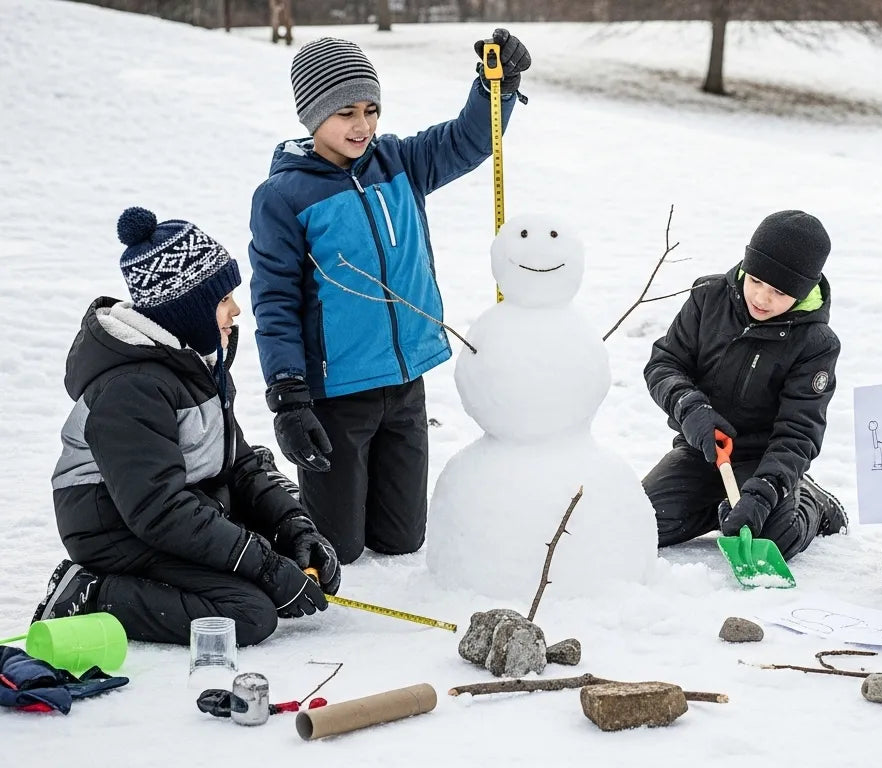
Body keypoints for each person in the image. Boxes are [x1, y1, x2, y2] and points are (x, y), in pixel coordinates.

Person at [248, 30, 531, 563]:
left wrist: (496, 90)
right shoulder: (283, 197)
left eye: (370, 109)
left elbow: (467, 141)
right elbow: (276, 302)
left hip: (405, 384)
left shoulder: (400, 161)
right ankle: (274, 501)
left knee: (401, 540)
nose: (363, 125)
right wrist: (287, 396)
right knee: (341, 550)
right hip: (337, 394)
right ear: (312, 117)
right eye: (345, 113)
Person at [33, 208, 340, 647]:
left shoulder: (195, 361)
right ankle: (92, 592)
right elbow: (157, 508)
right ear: (186, 310)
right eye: (222, 300)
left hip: (179, 506)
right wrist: (261, 565)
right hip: (113, 527)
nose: (236, 310)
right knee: (247, 614)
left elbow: (238, 463)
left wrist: (293, 526)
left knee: (265, 568)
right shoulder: (130, 388)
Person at [643, 210, 848, 560]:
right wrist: (690, 408)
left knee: (774, 540)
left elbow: (799, 432)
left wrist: (765, 491)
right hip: (702, 450)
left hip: (762, 462)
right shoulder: (707, 297)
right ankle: (722, 507)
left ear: (803, 292)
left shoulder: (815, 343)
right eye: (756, 281)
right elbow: (664, 364)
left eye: (779, 292)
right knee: (641, 524)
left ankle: (811, 501)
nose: (762, 299)